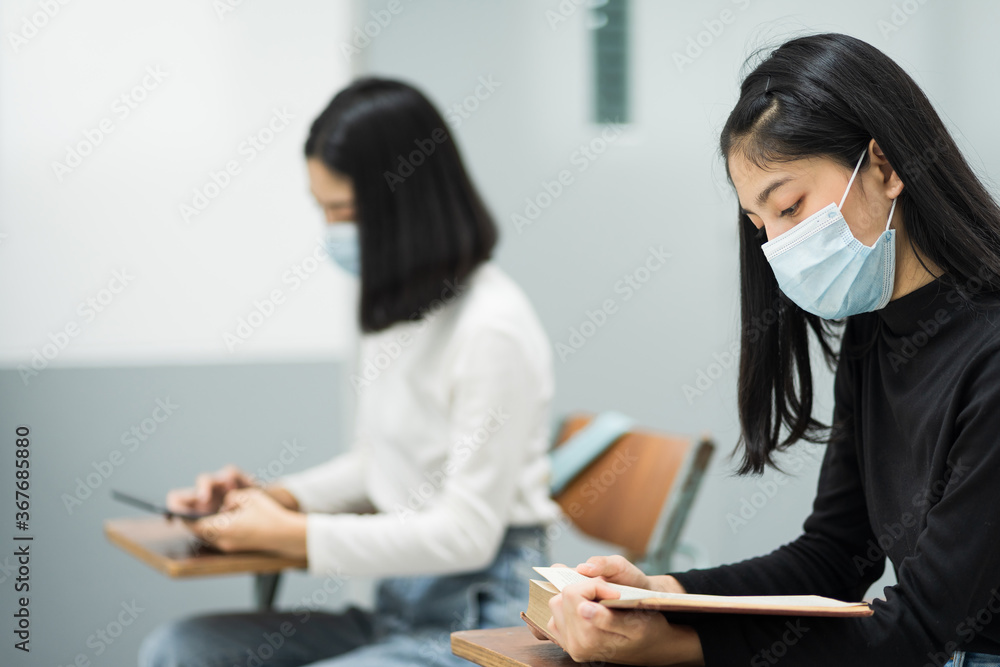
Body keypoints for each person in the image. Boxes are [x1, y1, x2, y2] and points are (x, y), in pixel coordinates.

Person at [538, 33, 1000, 667]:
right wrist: (658, 595)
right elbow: (833, 558)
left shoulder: (990, 355)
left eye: (789, 206)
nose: (778, 246)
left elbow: (919, 631)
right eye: (761, 225)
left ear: (886, 167)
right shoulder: (874, 329)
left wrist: (678, 646)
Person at [139, 77, 561, 667]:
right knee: (178, 650)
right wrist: (267, 502)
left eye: (344, 211)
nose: (333, 231)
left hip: (486, 623)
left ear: (407, 205)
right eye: (323, 209)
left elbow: (467, 533)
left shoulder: (492, 327)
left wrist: (292, 534)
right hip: (400, 612)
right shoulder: (398, 311)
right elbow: (377, 465)